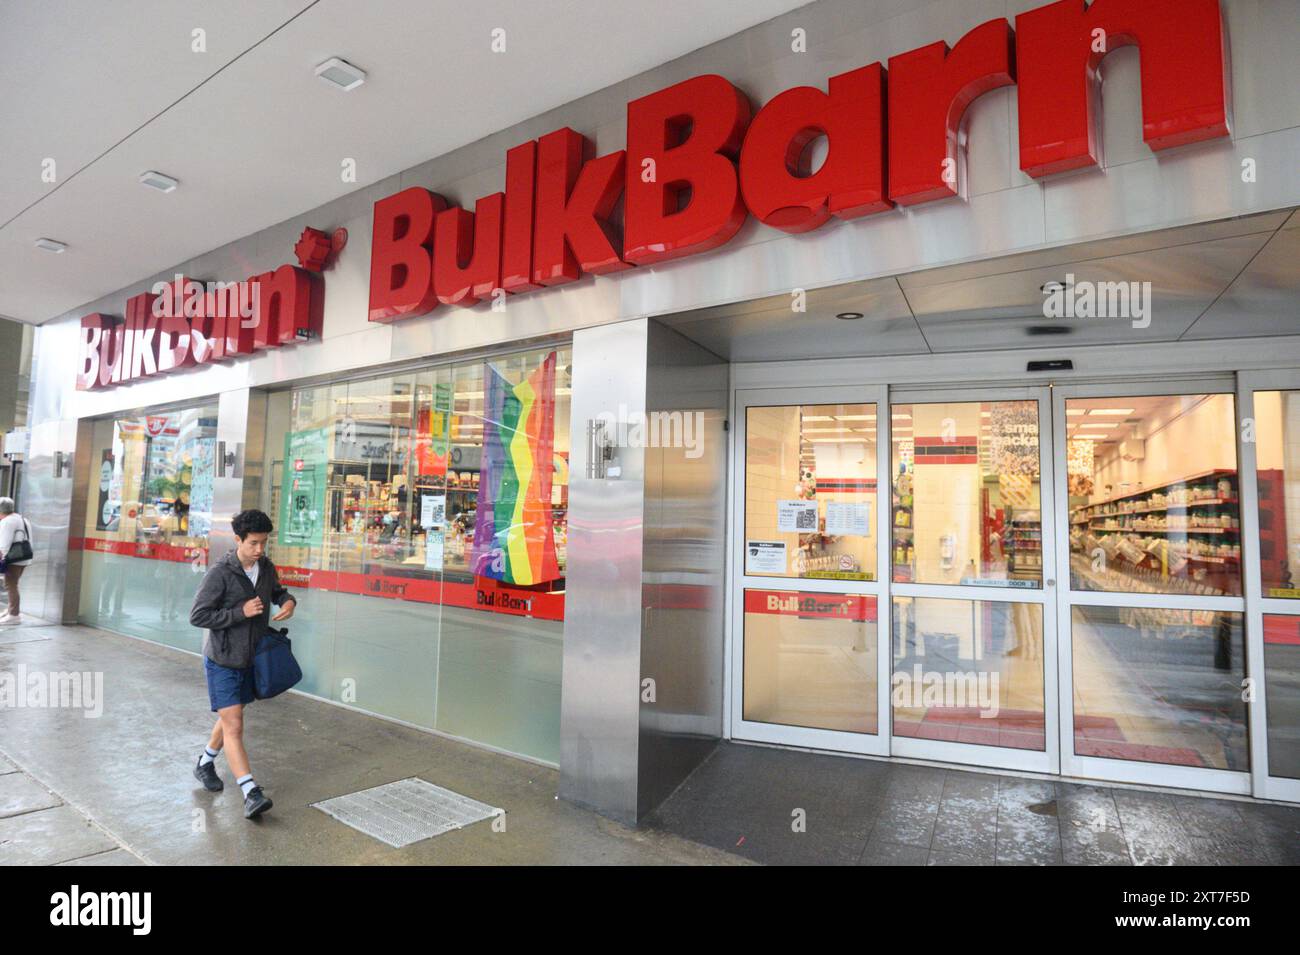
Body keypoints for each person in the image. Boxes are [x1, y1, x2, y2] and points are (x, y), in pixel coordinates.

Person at [189, 509, 296, 819]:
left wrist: (287, 601)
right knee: (234, 724)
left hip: (252, 657)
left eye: (264, 543)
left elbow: (277, 591)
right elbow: (198, 616)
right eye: (253, 543)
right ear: (237, 540)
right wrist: (240, 612)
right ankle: (251, 792)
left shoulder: (265, 567)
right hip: (222, 659)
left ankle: (205, 762)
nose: (259, 550)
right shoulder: (220, 573)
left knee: (230, 715)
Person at [0, 497, 34, 626]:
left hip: (13, 559)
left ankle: (14, 615)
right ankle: (10, 610)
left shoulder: (7, 522)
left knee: (11, 585)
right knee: (13, 584)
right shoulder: (22, 519)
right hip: (23, 557)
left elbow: (3, 544)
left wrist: (2, 559)